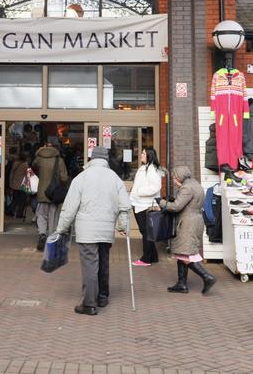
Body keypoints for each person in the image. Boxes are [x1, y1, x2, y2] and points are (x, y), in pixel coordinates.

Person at [51, 146, 133, 316]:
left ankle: (89, 303)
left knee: (90, 264)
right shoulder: (115, 178)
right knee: (103, 261)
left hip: (87, 229)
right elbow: (125, 206)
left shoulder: (81, 178)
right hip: (106, 228)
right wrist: (122, 226)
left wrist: (61, 229)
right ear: (106, 160)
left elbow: (69, 208)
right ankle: (102, 296)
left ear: (92, 158)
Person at [156, 164, 217, 295]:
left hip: (188, 223)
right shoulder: (195, 184)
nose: (173, 180)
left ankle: (207, 277)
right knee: (183, 252)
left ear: (179, 177)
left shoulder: (187, 188)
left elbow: (176, 207)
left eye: (174, 177)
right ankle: (181, 284)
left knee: (185, 255)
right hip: (195, 220)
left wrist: (160, 202)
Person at [128, 148, 164, 267]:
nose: (141, 155)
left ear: (149, 155)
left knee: (147, 233)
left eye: (143, 153)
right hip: (139, 204)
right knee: (145, 232)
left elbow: (155, 187)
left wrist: (139, 191)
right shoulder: (145, 167)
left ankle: (146, 259)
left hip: (145, 206)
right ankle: (153, 256)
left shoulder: (152, 169)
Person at [33, 134, 70, 243]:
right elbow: (64, 178)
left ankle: (42, 233)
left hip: (42, 192)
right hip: (54, 193)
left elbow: (33, 168)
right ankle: (51, 237)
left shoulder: (39, 158)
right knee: (53, 215)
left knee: (41, 214)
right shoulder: (59, 160)